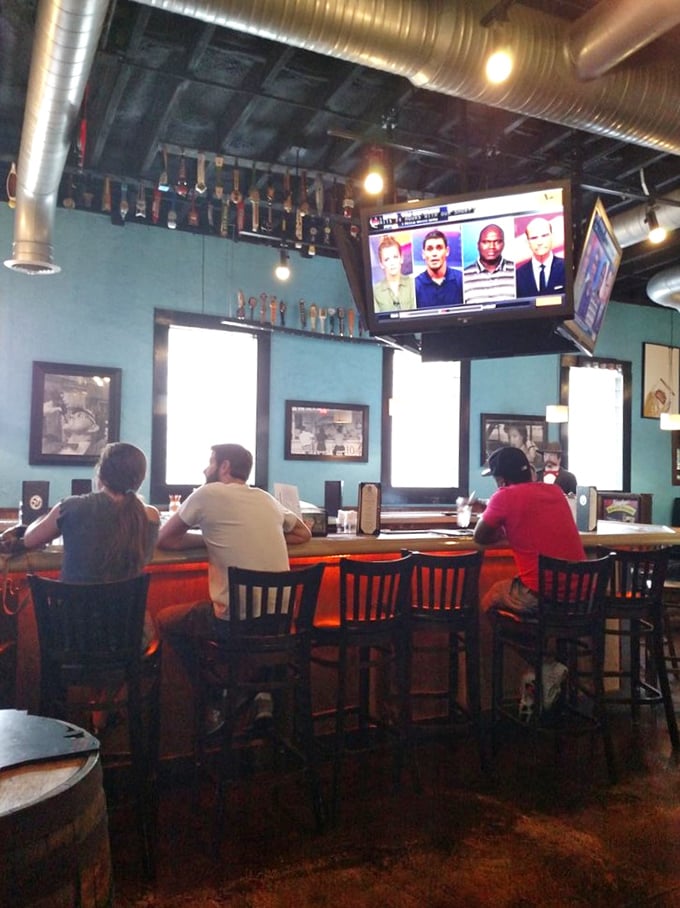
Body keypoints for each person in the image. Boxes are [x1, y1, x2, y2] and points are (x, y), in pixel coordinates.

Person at [155, 443, 311, 714]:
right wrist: (246, 536)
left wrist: (212, 540)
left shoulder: (207, 494)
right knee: (257, 629)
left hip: (233, 629)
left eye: (210, 462)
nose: (206, 468)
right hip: (281, 626)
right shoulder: (264, 498)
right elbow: (303, 534)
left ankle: (214, 695)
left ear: (224, 466)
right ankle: (259, 690)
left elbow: (166, 539)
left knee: (166, 619)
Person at [23, 441, 160, 725]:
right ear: (140, 478)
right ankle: (103, 710)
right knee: (141, 624)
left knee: (98, 620)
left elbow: (29, 539)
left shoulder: (71, 508)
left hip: (69, 636)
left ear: (101, 473)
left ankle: (86, 721)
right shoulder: (149, 516)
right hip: (122, 638)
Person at [474, 446, 585, 615]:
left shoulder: (503, 496)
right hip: (583, 596)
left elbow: (480, 537)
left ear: (502, 481)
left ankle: (521, 640)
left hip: (542, 598)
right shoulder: (555, 491)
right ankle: (535, 639)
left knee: (492, 596)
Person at [463, 223, 515, 304]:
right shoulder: (463, 277)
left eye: (497, 242)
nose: (491, 247)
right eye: (486, 242)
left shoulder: (516, 271)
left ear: (503, 244)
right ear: (478, 245)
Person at [515, 217, 566, 298]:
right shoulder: (518, 275)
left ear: (552, 237)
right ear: (527, 242)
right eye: (534, 238)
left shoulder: (566, 267)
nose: (539, 242)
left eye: (544, 236)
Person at [414, 229, 463, 309]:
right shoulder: (415, 285)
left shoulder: (461, 279)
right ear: (423, 254)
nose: (434, 254)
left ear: (447, 251)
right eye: (430, 249)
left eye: (439, 248)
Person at [373, 236, 416, 312]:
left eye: (395, 257)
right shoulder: (375, 291)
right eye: (387, 259)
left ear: (401, 258)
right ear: (381, 264)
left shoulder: (413, 283)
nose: (392, 263)